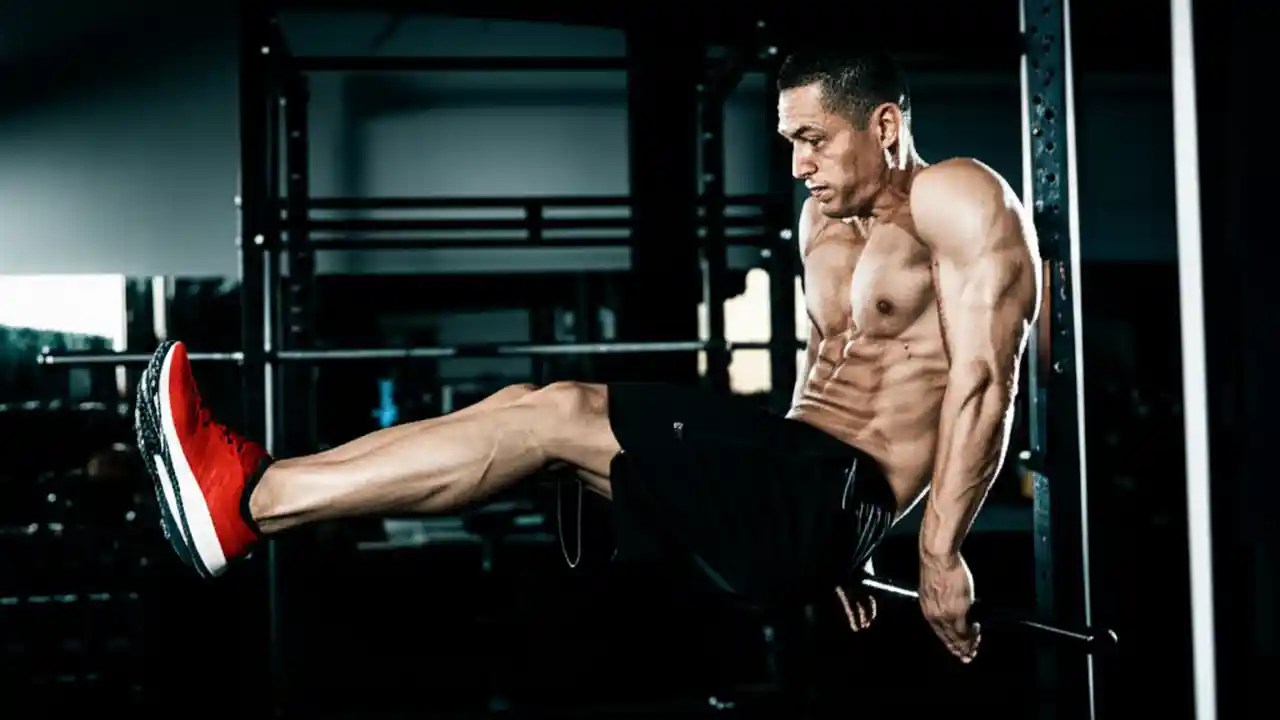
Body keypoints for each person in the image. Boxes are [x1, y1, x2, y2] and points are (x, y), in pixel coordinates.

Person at [133, 46, 1039, 665]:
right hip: (796, 490)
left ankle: (249, 501)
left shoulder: (957, 198)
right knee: (528, 408)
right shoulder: (821, 220)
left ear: (883, 124)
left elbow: (983, 383)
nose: (796, 163)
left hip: (835, 498)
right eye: (787, 141)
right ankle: (252, 494)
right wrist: (823, 549)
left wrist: (936, 548)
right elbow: (821, 380)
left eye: (812, 139)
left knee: (557, 416)